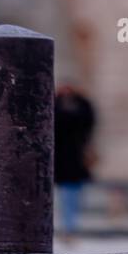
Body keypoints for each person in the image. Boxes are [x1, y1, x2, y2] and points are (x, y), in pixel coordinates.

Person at [54, 84, 96, 242]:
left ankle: (70, 228)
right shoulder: (58, 106)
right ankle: (69, 228)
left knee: (72, 196)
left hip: (74, 161)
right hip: (64, 161)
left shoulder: (82, 107)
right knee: (67, 196)